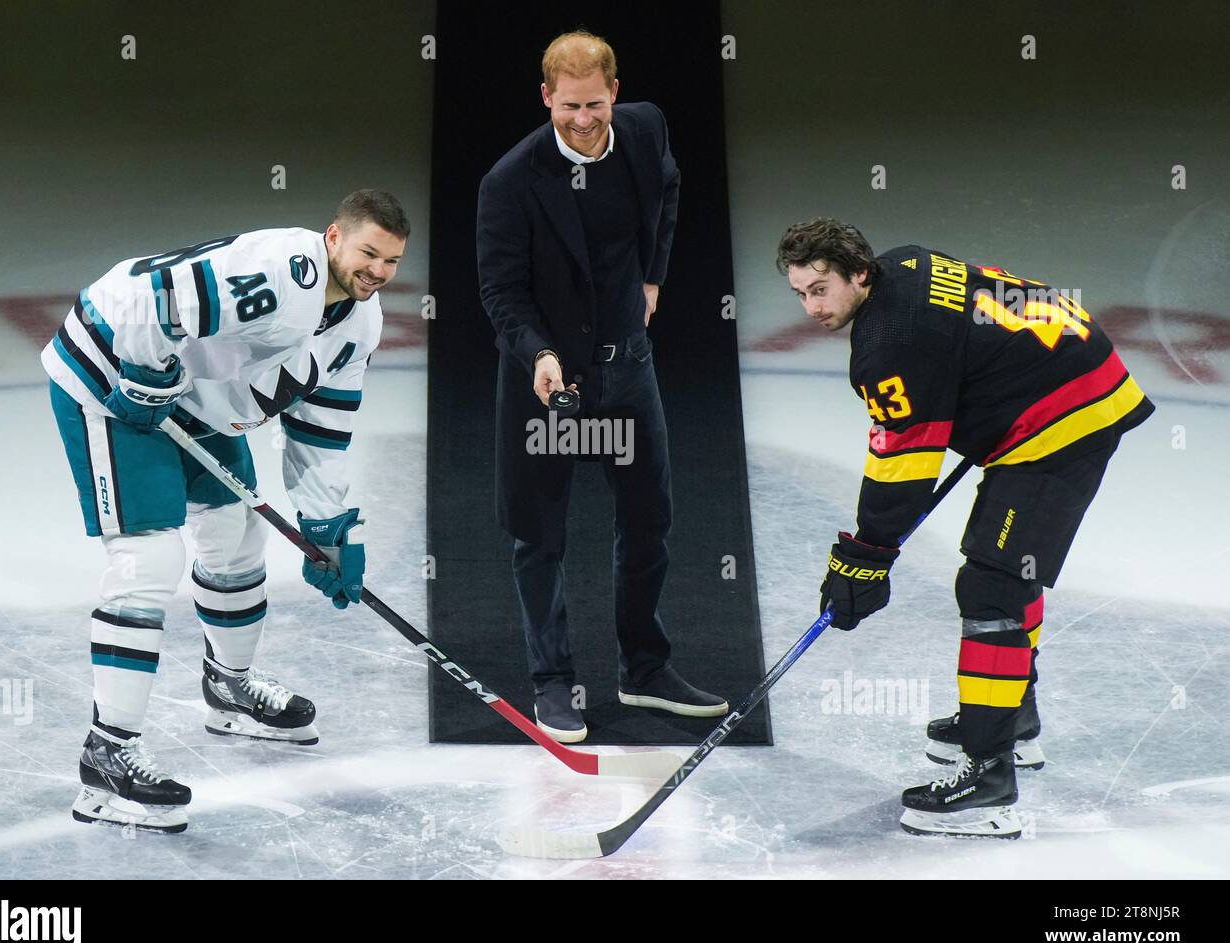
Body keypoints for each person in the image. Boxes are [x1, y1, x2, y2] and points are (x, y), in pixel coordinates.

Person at [42, 189, 409, 832]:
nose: (376, 271)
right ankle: (107, 755)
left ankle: (228, 686)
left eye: (392, 261)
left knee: (238, 534)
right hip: (110, 373)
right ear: (333, 238)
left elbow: (320, 430)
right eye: (367, 252)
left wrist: (327, 528)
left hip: (194, 400)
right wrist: (145, 371)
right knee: (149, 556)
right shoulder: (283, 272)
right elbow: (164, 296)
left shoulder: (360, 321)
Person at [777, 218, 1153, 838]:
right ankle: (1009, 721)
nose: (811, 306)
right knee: (1005, 567)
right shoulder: (907, 263)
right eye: (799, 293)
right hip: (1069, 373)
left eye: (821, 289)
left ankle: (988, 780)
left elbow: (903, 465)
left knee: (992, 585)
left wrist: (864, 556)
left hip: (1065, 415)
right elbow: (967, 347)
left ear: (859, 274)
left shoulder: (888, 344)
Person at [476, 31, 726, 743]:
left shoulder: (645, 130)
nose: (583, 120)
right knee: (540, 537)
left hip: (629, 370)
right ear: (546, 97)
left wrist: (653, 276)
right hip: (551, 383)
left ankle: (644, 670)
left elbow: (670, 189)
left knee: (649, 524)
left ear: (614, 93)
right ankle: (553, 685)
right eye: (568, 107)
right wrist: (540, 355)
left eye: (594, 104)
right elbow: (500, 292)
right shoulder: (510, 182)